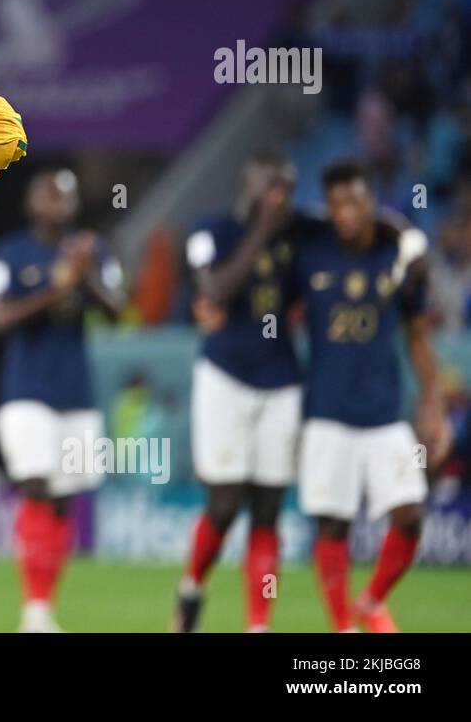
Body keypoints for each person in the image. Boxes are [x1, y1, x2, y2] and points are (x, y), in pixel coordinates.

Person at [294, 160, 449, 632]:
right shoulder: (312, 250)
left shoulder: (397, 258)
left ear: (370, 202)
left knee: (410, 516)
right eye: (336, 203)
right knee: (332, 526)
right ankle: (343, 626)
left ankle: (371, 600)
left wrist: (433, 404)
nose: (345, 212)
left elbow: (417, 336)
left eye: (355, 201)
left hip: (385, 414)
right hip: (327, 412)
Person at [0, 168, 125, 632]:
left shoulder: (93, 251)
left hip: (75, 392)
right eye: (49, 195)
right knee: (36, 485)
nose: (58, 203)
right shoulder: (10, 253)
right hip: (25, 391)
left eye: (65, 196)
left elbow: (117, 312)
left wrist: (85, 278)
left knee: (63, 502)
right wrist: (58, 289)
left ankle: (44, 607)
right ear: (31, 204)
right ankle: (33, 610)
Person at [173, 152, 302, 633]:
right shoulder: (212, 231)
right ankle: (191, 587)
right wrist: (263, 230)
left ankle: (258, 624)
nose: (278, 198)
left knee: (268, 508)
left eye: (285, 188)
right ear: (247, 185)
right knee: (225, 505)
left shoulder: (297, 236)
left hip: (281, 379)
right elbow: (215, 289)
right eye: (270, 186)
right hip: (225, 376)